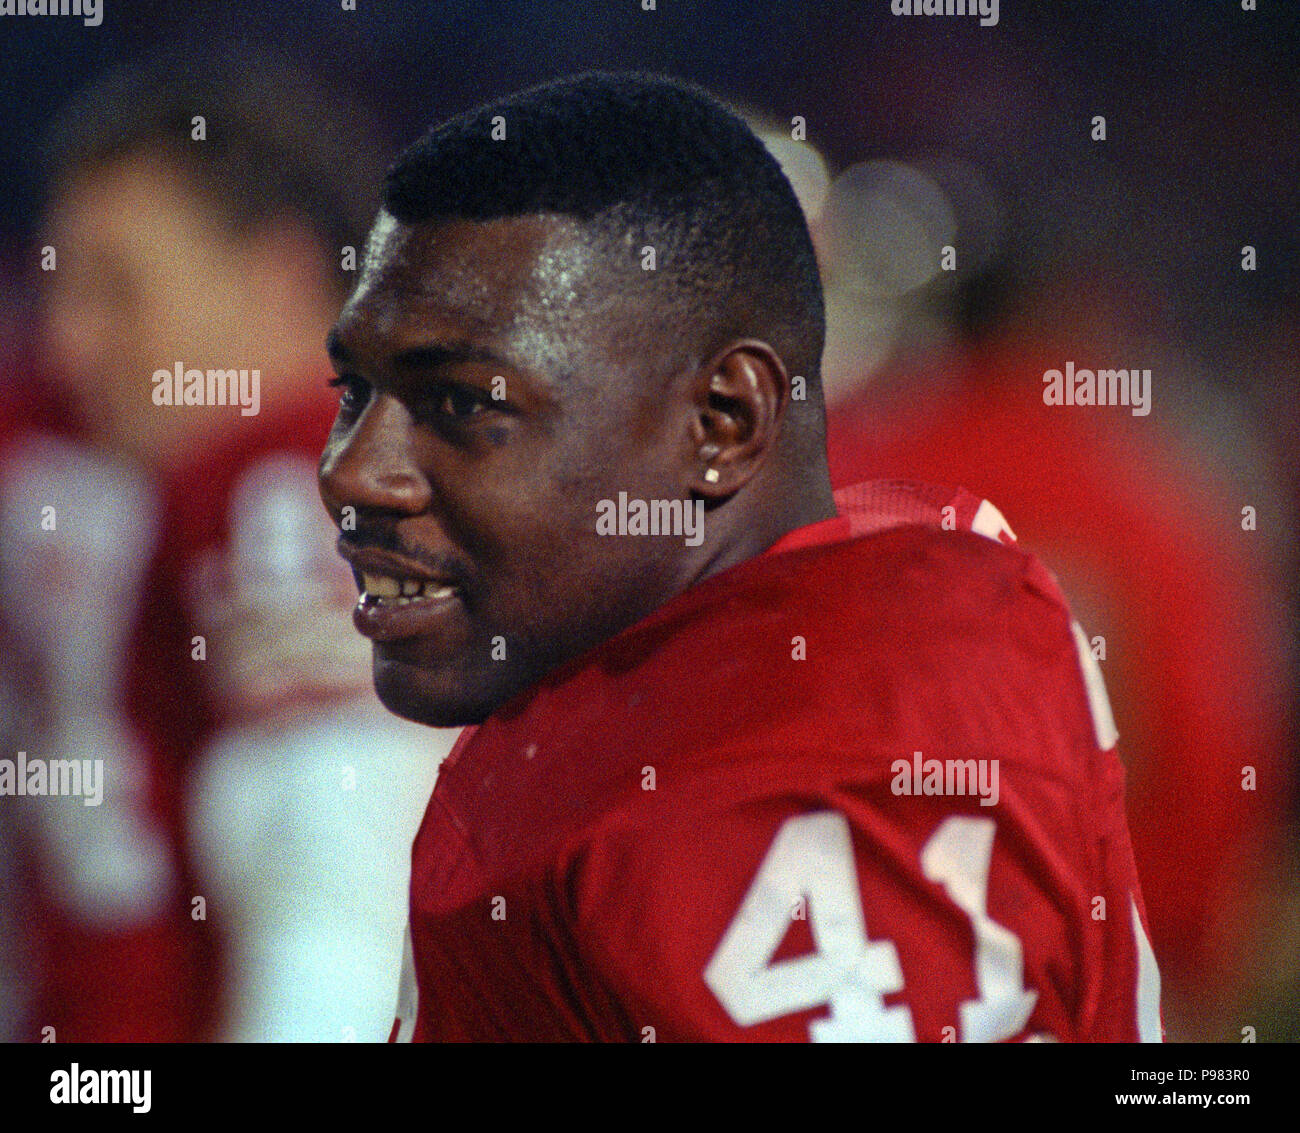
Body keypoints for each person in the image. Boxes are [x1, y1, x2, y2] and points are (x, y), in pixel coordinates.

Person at [318, 71, 1162, 1042]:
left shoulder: (757, 766)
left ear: (723, 420)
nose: (353, 473)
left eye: (463, 402)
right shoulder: (924, 564)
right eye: (354, 392)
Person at [10, 54, 446, 1041]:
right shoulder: (220, 483)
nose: (71, 343)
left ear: (280, 279)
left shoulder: (284, 481)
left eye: (118, 288)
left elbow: (335, 882)